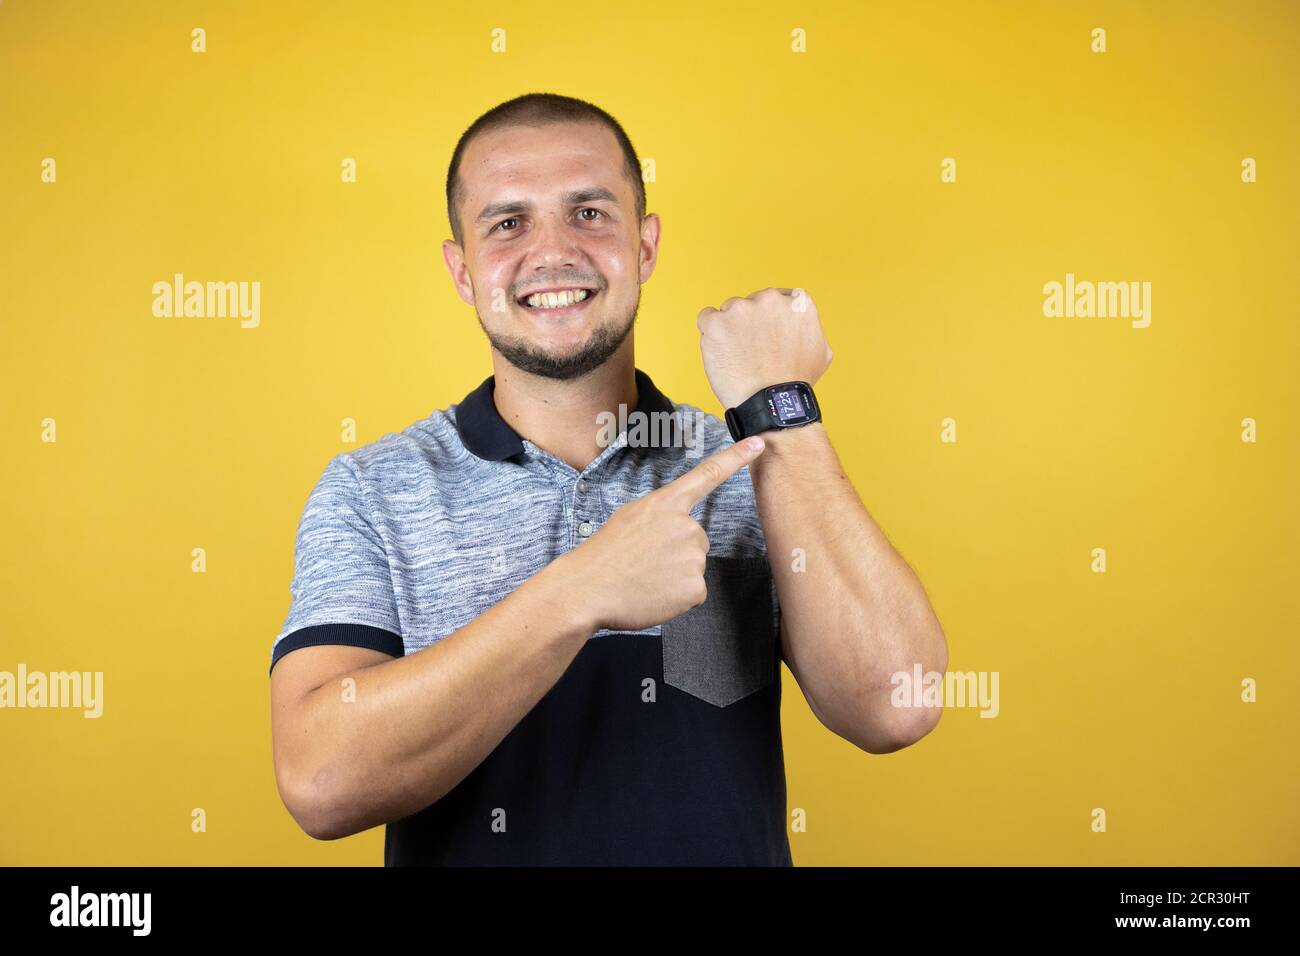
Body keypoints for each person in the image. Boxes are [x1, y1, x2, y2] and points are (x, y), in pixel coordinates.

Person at [268, 92, 948, 865]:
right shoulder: (373, 489)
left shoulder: (751, 463)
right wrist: (584, 590)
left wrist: (779, 411)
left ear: (646, 245)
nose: (553, 252)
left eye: (589, 212)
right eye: (508, 222)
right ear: (462, 269)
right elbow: (320, 782)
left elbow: (900, 705)